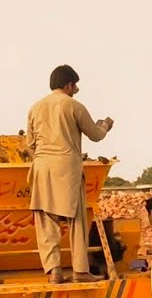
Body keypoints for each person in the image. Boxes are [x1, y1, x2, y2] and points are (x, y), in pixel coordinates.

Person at [25, 64, 114, 284]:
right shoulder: (74, 106)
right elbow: (95, 135)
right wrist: (105, 126)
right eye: (76, 86)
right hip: (67, 169)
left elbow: (29, 144)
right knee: (77, 220)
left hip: (41, 168)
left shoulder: (35, 108)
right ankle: (80, 271)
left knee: (46, 220)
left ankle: (54, 270)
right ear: (69, 85)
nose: (76, 90)